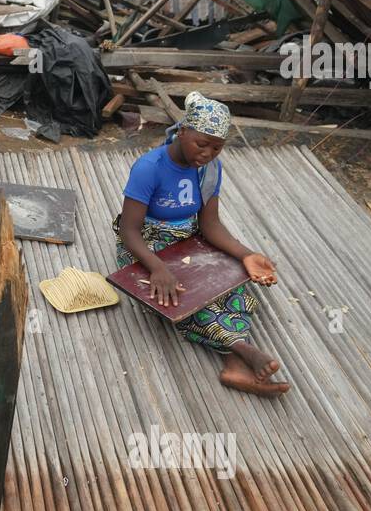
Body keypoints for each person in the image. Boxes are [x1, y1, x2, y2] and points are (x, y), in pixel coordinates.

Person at [115, 92, 288, 397]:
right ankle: (241, 351)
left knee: (231, 288)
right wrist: (157, 268)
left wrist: (247, 255)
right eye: (201, 144)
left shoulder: (209, 170)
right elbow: (129, 231)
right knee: (181, 298)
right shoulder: (149, 167)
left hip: (189, 241)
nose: (208, 153)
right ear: (182, 132)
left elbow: (210, 225)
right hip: (146, 245)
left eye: (217, 148)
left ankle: (235, 366)